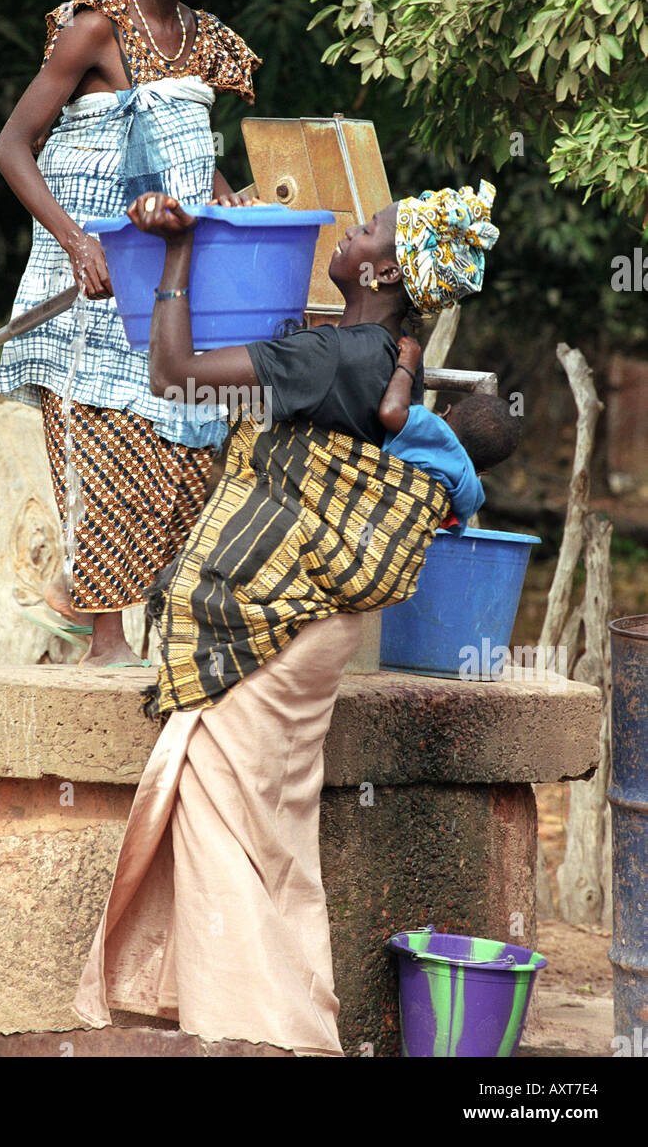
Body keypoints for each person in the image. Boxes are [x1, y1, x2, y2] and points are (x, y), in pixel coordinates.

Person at [72, 180, 502, 1054]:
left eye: (371, 227)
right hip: (316, 623)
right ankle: (299, 1025)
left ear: (383, 266)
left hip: (274, 623)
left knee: (227, 830)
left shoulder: (331, 358)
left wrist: (182, 256)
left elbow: (175, 375)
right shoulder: (382, 358)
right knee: (274, 838)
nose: (353, 228)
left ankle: (262, 1037)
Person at [0, 0, 261, 665]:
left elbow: (186, 155)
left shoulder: (209, 41)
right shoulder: (95, 27)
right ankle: (108, 639)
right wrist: (76, 241)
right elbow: (11, 145)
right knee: (102, 450)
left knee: (186, 445)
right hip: (88, 273)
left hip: (169, 269)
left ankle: (77, 600)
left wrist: (230, 204)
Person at [378, 333, 521, 534]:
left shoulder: (436, 433)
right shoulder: (468, 494)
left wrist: (407, 365)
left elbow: (390, 412)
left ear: (444, 413)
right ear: (481, 472)